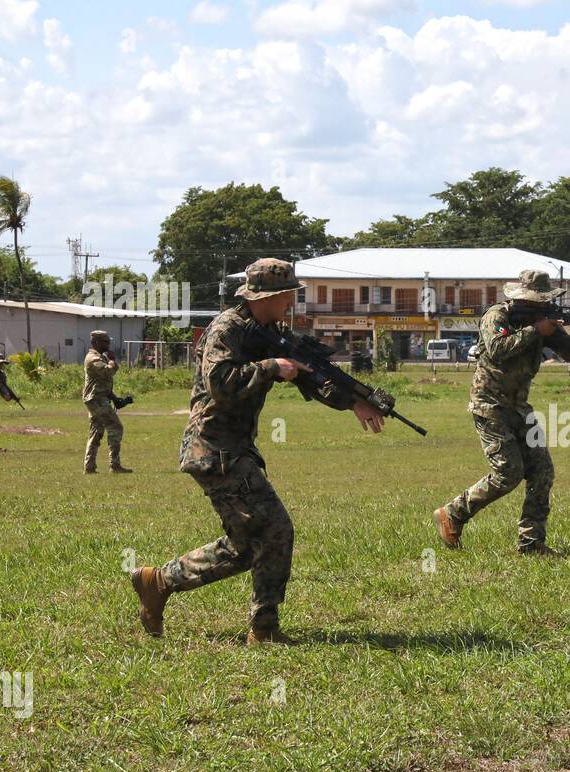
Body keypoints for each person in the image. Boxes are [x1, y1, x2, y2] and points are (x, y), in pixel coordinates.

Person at [129, 258, 386, 646]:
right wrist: (270, 367)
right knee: (276, 529)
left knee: (251, 544)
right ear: (268, 296)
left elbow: (311, 375)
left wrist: (354, 401)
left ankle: (159, 581)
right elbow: (221, 383)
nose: (291, 302)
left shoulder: (269, 331)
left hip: (234, 448)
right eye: (287, 295)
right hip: (213, 448)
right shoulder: (227, 329)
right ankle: (263, 630)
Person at [433, 269, 570, 555]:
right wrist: (535, 330)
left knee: (542, 471)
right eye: (536, 302)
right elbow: (496, 349)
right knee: (507, 473)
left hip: (520, 408)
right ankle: (453, 513)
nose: (541, 307)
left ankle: (532, 542)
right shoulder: (497, 316)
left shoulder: (542, 322)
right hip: (490, 405)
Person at [83, 330, 132, 474]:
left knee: (96, 432)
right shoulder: (93, 359)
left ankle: (89, 467)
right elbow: (107, 372)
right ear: (96, 342)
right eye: (105, 342)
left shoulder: (100, 357)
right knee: (116, 427)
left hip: (99, 397)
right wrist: (112, 361)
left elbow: (103, 383)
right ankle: (114, 465)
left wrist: (115, 399)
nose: (108, 344)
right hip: (96, 399)